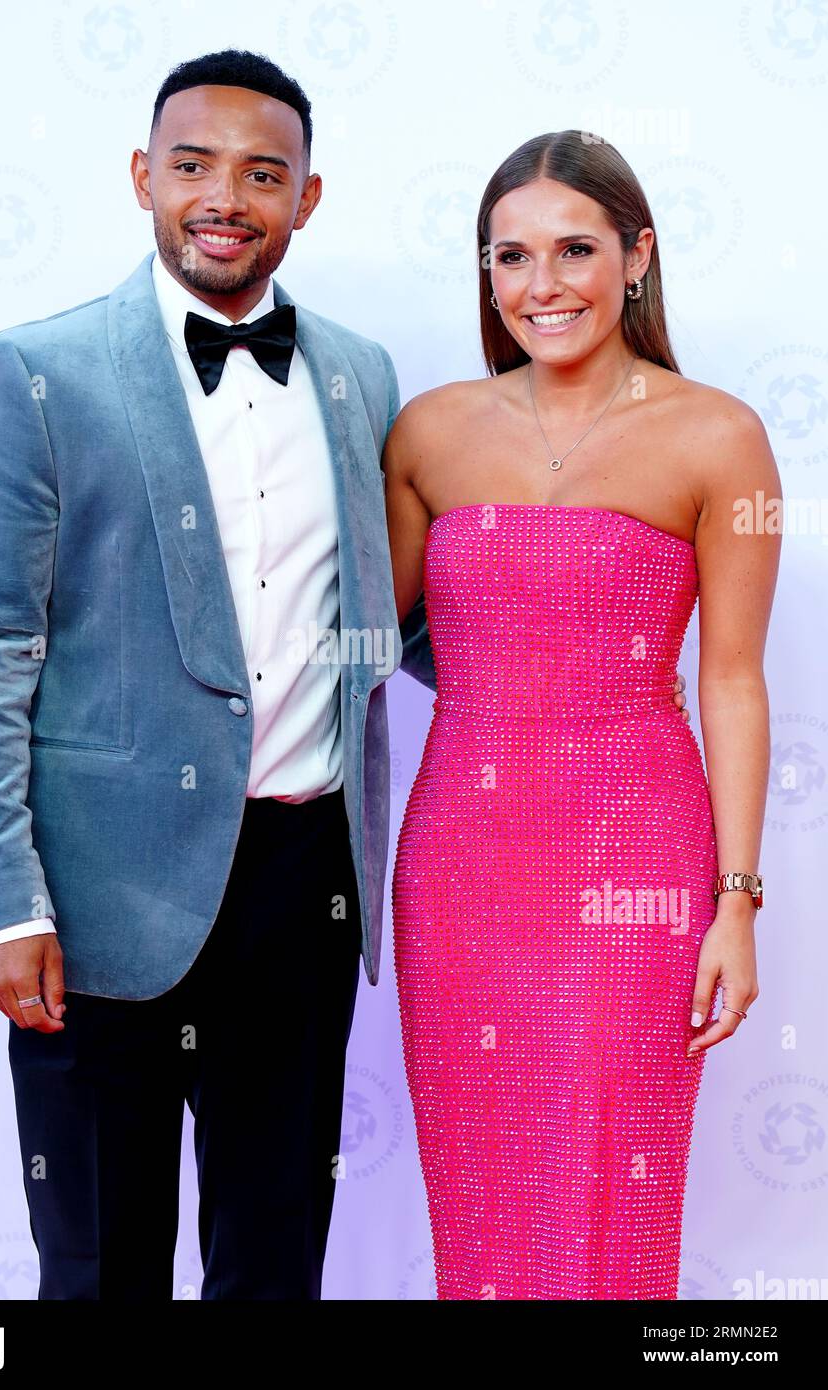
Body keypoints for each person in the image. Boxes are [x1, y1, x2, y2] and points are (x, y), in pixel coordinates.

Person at [0, 48, 417, 1301]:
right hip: (94, 896)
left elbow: (390, 619)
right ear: (144, 176)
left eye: (264, 173)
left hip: (304, 888)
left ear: (307, 199)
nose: (225, 197)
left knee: (273, 1263)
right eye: (193, 165)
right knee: (98, 1267)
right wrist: (3, 901)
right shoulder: (38, 371)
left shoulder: (362, 375)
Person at [383, 131, 780, 1300]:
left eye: (574, 250)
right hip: (460, 868)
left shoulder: (720, 436)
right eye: (511, 257)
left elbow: (735, 679)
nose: (540, 286)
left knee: (614, 1178)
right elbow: (365, 640)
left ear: (638, 254)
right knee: (480, 1191)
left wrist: (736, 903)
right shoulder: (430, 430)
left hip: (638, 863)